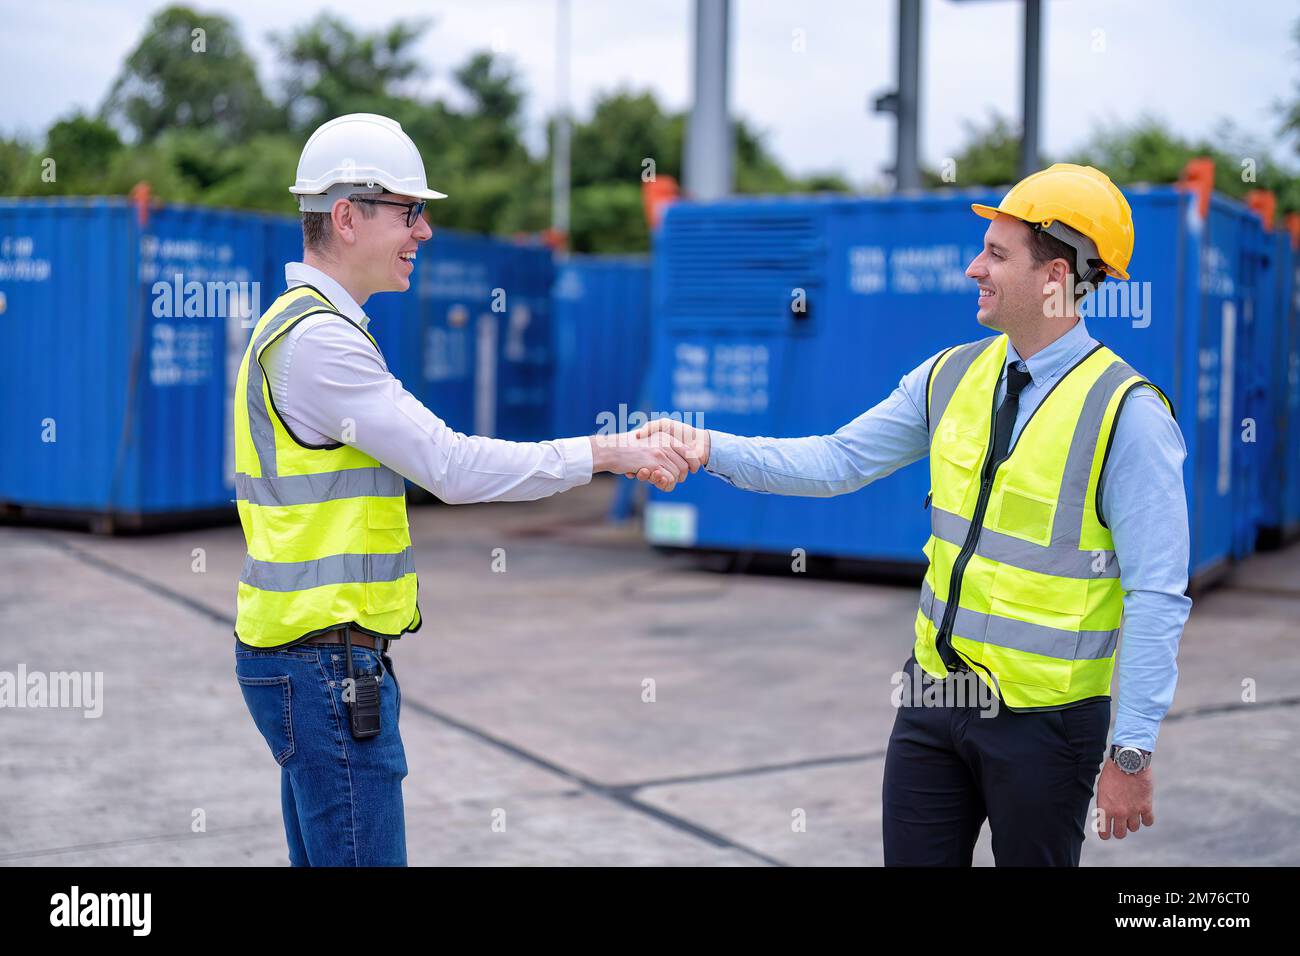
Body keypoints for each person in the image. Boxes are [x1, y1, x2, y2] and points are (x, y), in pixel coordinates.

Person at [637, 164, 1191, 866]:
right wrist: (706, 446)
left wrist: (1132, 752)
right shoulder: (951, 375)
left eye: (996, 254)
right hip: (934, 701)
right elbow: (835, 462)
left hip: (1046, 727)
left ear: (1055, 277)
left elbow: (1157, 594)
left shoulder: (1129, 416)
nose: (973, 268)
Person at [231, 112, 698, 866]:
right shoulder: (319, 343)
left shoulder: (305, 326)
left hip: (310, 655)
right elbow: (451, 466)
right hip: (323, 666)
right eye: (410, 211)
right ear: (347, 217)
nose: (424, 231)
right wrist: (607, 452)